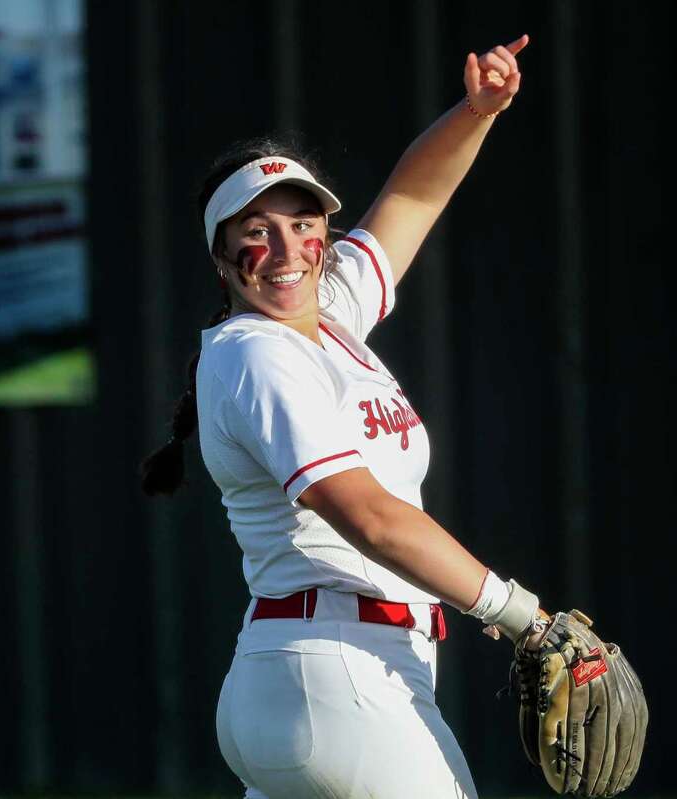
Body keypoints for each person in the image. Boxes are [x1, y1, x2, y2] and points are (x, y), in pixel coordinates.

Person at [141, 34, 545, 799]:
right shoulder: (257, 350)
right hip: (336, 677)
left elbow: (413, 198)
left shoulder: (329, 317)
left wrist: (477, 111)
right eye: (255, 231)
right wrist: (527, 616)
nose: (286, 246)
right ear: (222, 258)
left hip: (314, 676)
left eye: (302, 221)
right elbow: (369, 517)